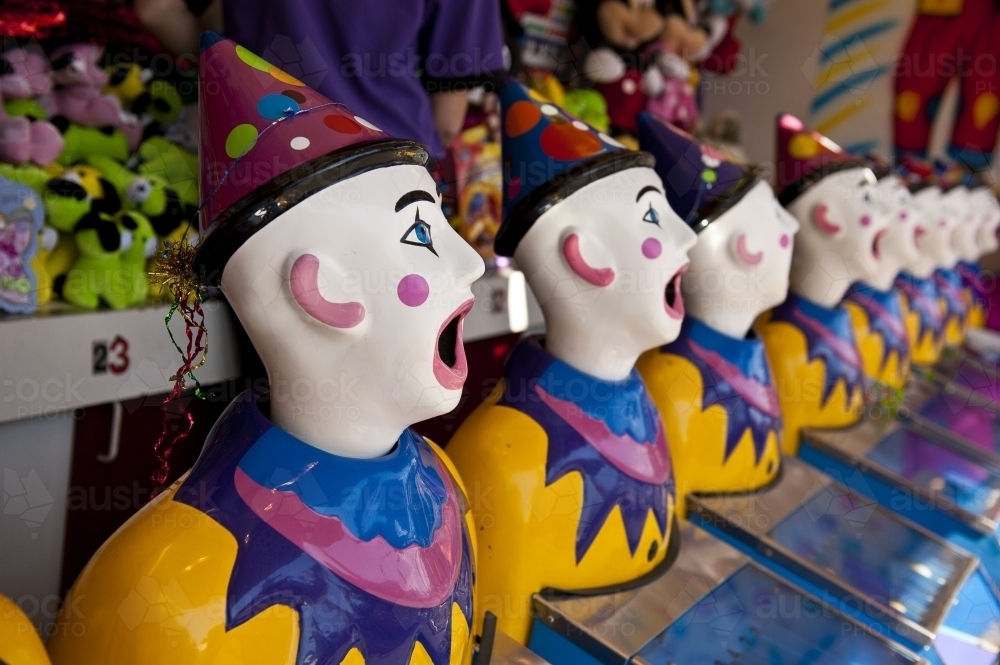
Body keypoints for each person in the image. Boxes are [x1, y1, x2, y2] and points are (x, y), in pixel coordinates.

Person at [135, 0, 505, 158]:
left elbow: (156, 9)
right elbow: (446, 120)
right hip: (395, 167)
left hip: (266, 162)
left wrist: (235, 78)